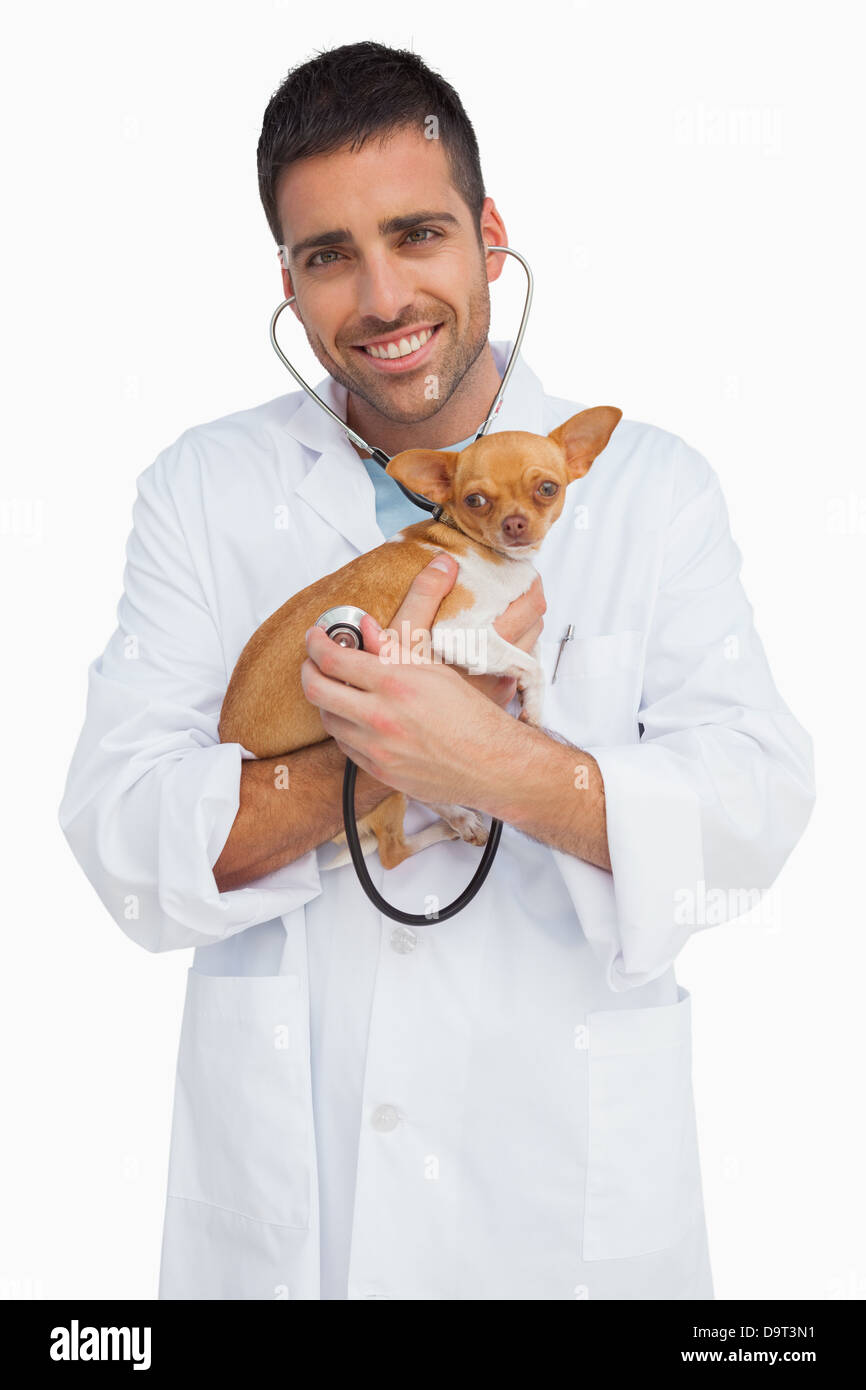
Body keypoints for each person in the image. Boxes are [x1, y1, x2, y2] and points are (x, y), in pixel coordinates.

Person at [58, 40, 816, 1301]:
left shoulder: (650, 488)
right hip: (302, 1203)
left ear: (489, 233)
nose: (380, 297)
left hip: (556, 1187)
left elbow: (751, 811)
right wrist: (387, 774)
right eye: (325, 256)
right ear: (287, 284)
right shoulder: (202, 490)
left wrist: (499, 766)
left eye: (415, 233)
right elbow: (123, 833)